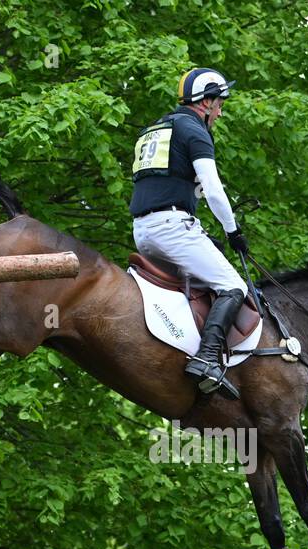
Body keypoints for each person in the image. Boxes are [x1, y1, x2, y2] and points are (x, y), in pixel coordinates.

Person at [130, 67, 248, 399]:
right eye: (220, 104)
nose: (221, 113)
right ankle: (208, 358)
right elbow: (211, 189)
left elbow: (170, 184)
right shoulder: (194, 130)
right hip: (171, 230)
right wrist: (232, 230)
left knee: (194, 289)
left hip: (142, 231)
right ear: (205, 101)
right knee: (232, 285)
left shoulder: (153, 130)